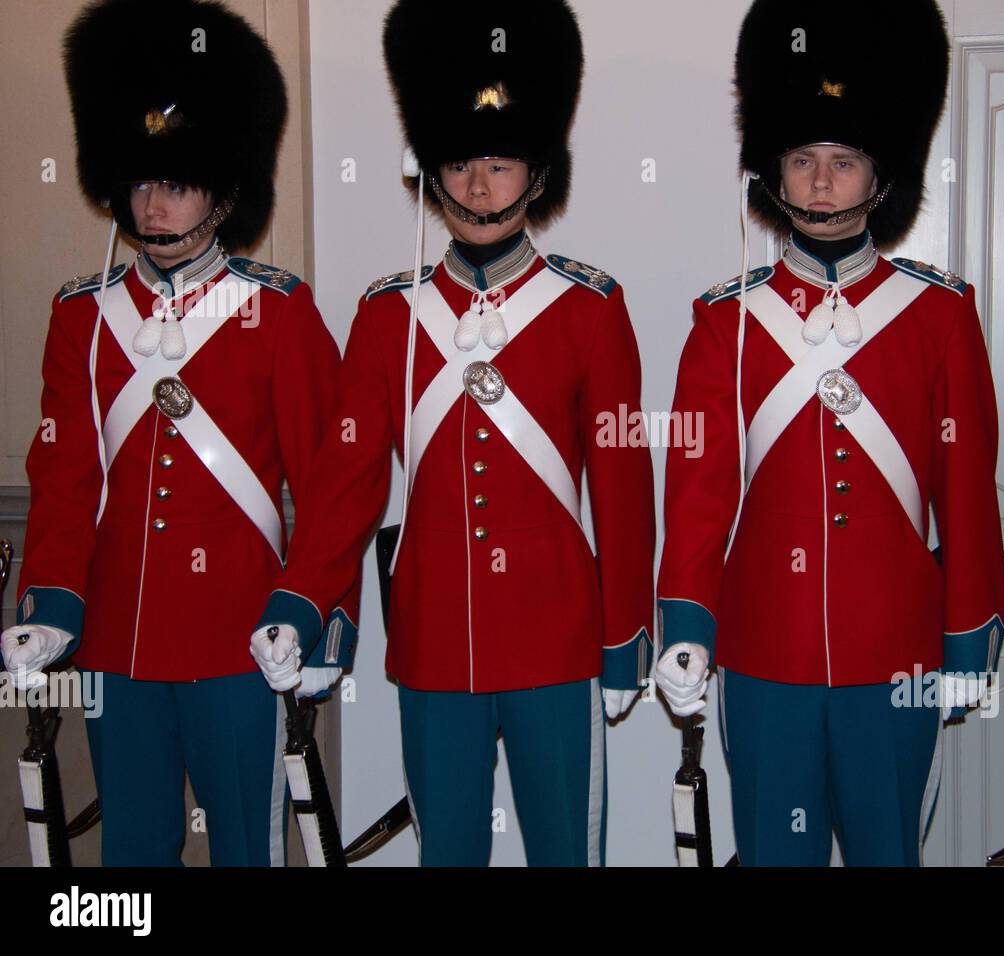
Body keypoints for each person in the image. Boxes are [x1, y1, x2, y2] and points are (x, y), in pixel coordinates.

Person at [248, 0, 656, 867]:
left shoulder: (592, 308)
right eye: (460, 163)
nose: (478, 186)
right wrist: (300, 596)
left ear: (538, 175)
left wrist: (623, 636)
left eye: (501, 164)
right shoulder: (387, 314)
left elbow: (622, 488)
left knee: (564, 855)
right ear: (430, 172)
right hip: (433, 642)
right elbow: (347, 478)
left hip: (557, 640)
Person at [0, 0, 355, 866]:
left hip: (241, 638)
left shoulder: (277, 310)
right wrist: (49, 602)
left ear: (224, 191)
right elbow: (65, 474)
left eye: (179, 182)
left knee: (244, 847)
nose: (156, 205)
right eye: (144, 181)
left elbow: (332, 478)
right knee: (132, 854)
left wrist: (313, 610)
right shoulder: (80, 317)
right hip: (117, 642)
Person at [654, 0, 1004, 866]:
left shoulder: (941, 314)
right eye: (803, 159)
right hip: (763, 655)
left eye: (843, 161)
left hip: (898, 657)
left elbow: (966, 490)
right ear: (772, 174)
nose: (820, 182)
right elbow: (699, 499)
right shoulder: (723, 323)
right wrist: (688, 625)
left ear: (879, 178)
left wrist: (968, 638)